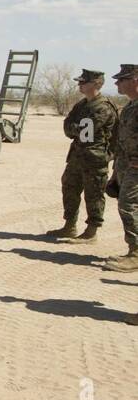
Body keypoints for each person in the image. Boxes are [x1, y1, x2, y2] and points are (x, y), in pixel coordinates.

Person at [46, 69, 117, 242]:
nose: (79, 85)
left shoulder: (103, 107)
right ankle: (69, 225)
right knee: (69, 187)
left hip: (95, 158)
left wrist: (75, 128)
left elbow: (87, 130)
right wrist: (75, 128)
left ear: (95, 84)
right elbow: (68, 127)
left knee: (94, 194)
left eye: (83, 82)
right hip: (77, 156)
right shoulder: (82, 105)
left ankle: (91, 232)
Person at [104, 64, 138, 271]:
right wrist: (116, 170)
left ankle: (136, 254)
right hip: (126, 165)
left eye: (121, 79)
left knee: (128, 205)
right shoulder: (130, 107)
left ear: (135, 80)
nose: (117, 83)